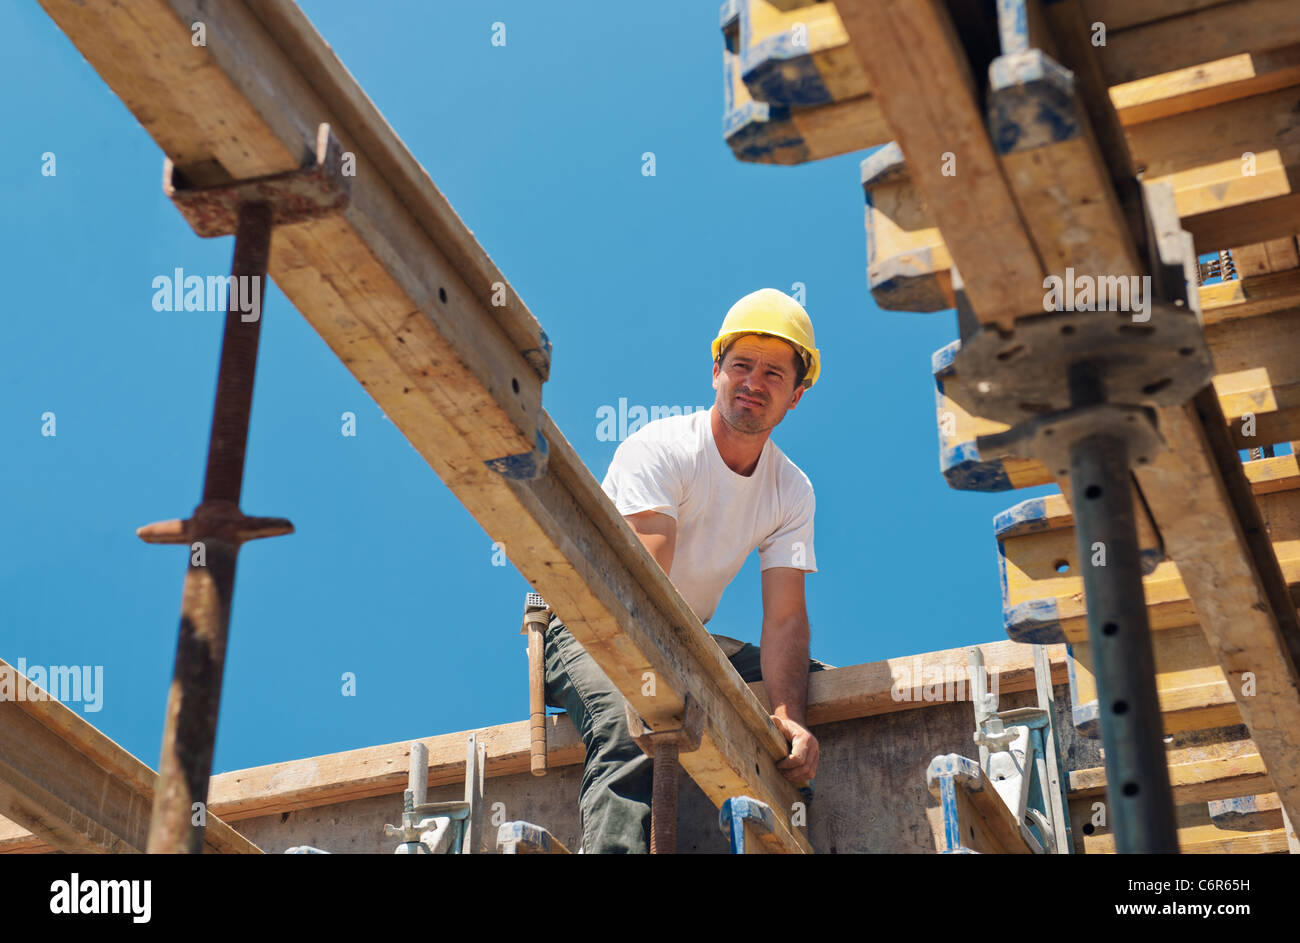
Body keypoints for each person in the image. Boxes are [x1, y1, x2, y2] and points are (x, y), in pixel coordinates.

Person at [543, 287, 827, 853]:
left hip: (688, 642)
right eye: (741, 364)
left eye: (774, 372)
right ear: (716, 372)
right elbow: (640, 595)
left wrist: (787, 716)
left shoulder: (791, 491)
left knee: (819, 687)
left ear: (795, 395)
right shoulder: (664, 448)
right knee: (630, 730)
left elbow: (786, 620)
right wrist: (673, 685)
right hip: (594, 627)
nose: (753, 381)